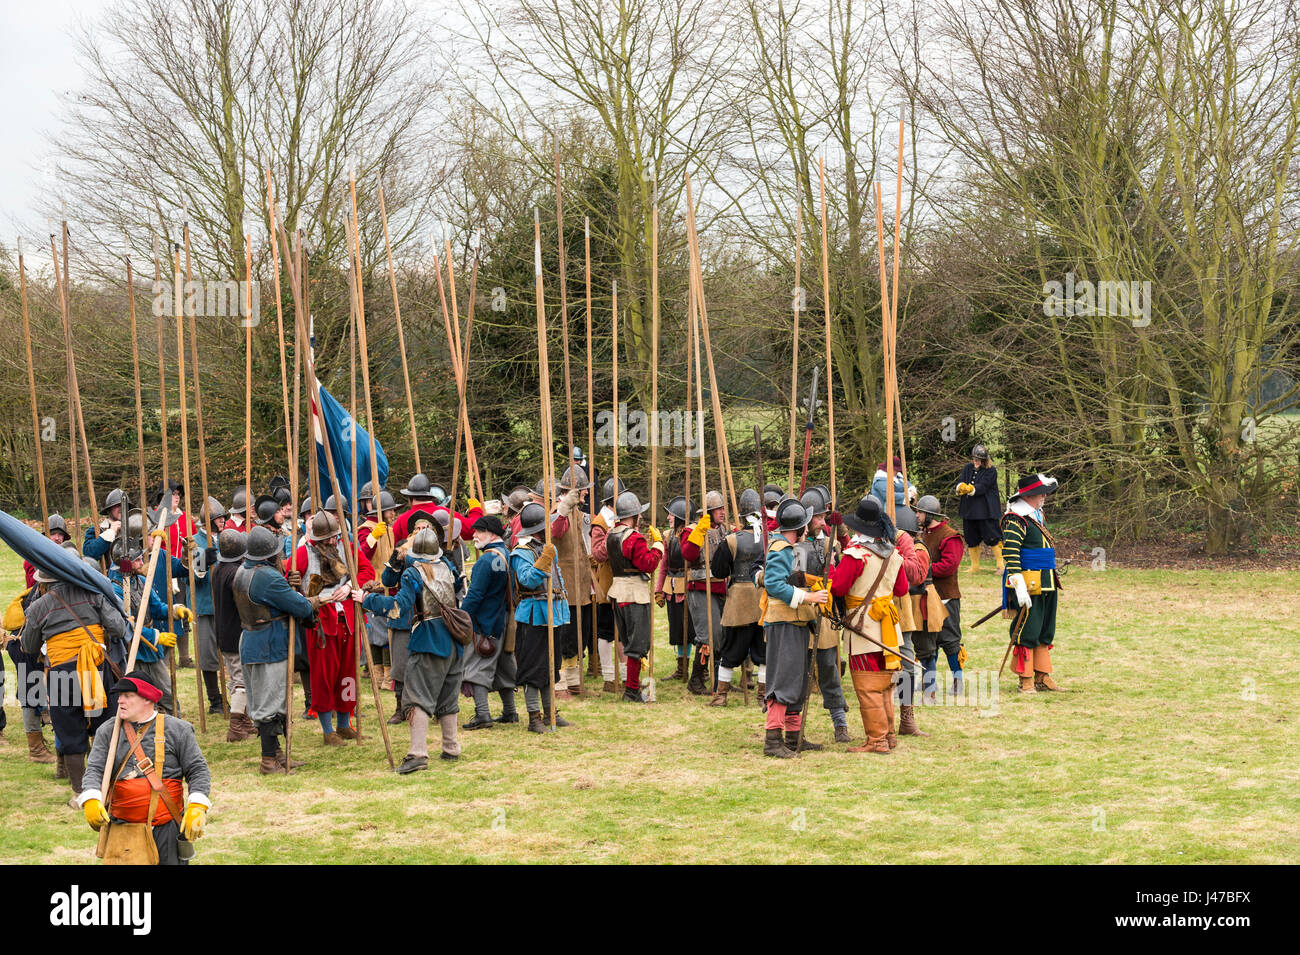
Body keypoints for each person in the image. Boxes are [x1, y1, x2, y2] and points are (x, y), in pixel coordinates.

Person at [19, 563, 131, 806]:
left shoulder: (38, 606)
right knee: (105, 725)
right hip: (95, 668)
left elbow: (28, 646)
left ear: (45, 582)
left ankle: (81, 792)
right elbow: (119, 628)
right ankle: (108, 786)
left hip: (61, 672)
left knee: (69, 729)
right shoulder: (94, 595)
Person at [359, 526, 466, 771]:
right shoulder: (448, 568)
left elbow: (399, 607)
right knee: (447, 696)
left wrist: (367, 600)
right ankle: (451, 747)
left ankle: (417, 754)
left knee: (416, 696)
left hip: (429, 638)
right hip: (454, 637)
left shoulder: (413, 574)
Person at [78, 670, 211, 865]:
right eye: (119, 696)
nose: (120, 701)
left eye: (128, 696)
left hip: (167, 827)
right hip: (123, 828)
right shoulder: (108, 731)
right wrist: (90, 798)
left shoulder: (178, 729)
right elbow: (94, 769)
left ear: (147, 699)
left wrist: (197, 805)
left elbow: (197, 769)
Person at [234, 525, 329, 773]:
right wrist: (311, 600)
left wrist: (288, 585)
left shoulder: (243, 572)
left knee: (268, 701)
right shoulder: (266, 576)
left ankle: (277, 754)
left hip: (253, 641)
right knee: (270, 704)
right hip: (269, 644)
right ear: (268, 555)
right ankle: (268, 760)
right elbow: (300, 608)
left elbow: (273, 600)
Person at [829, 497, 911, 755]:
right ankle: (887, 735)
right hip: (887, 627)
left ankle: (876, 741)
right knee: (884, 684)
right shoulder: (893, 555)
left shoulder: (856, 556)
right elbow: (902, 589)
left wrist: (831, 572)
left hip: (864, 627)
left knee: (868, 687)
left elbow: (840, 588)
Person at [289, 511, 375, 744]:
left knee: (348, 674)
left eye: (333, 537)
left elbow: (367, 571)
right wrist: (294, 581)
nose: (330, 541)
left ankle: (344, 723)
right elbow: (288, 578)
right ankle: (328, 730)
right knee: (324, 676)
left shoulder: (346, 547)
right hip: (321, 622)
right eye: (326, 538)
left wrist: (349, 586)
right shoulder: (302, 553)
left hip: (347, 618)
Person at [757, 498, 830, 757]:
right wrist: (809, 597)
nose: (810, 528)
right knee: (784, 680)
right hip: (783, 623)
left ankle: (793, 737)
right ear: (799, 528)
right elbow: (774, 585)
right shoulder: (781, 548)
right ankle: (773, 741)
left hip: (795, 621)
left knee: (797, 681)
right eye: (806, 524)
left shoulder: (787, 547)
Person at [794, 487, 852, 741]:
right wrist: (814, 579)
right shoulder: (796, 545)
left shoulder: (831, 543)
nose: (821, 521)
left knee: (829, 669)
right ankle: (794, 727)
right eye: (817, 517)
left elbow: (840, 579)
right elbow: (794, 580)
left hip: (826, 615)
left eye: (823, 516)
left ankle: (840, 724)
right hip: (801, 613)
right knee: (798, 674)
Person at [509, 502, 571, 733]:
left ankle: (550, 712)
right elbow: (527, 580)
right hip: (532, 615)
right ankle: (534, 716)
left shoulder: (548, 548)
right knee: (532, 668)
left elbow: (557, 578)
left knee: (550, 666)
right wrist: (544, 560)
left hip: (552, 613)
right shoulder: (520, 553)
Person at [1001, 473, 1062, 693]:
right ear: (1030, 495)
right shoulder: (1015, 517)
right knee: (1028, 629)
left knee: (1045, 628)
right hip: (1027, 582)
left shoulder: (1037, 514)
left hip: (1046, 580)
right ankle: (1025, 680)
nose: (1044, 496)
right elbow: (1011, 552)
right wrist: (1018, 585)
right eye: (1041, 493)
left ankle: (1041, 676)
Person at [604, 491, 664, 702]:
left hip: (618, 593)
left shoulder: (611, 534)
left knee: (630, 642)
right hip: (633, 594)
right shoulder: (633, 538)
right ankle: (631, 690)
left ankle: (634, 687)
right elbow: (648, 563)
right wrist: (658, 546)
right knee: (636, 645)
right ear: (635, 516)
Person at [458, 515, 517, 728]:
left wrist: (461, 618)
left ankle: (483, 714)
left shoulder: (485, 561)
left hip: (486, 622)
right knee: (504, 666)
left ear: (491, 534)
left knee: (477, 667)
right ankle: (510, 711)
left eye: (479, 532)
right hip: (505, 621)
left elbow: (474, 596)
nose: (474, 535)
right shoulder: (508, 555)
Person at [713, 488, 765, 707]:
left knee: (731, 650)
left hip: (739, 603)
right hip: (763, 601)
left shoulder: (732, 540)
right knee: (764, 654)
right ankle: (763, 696)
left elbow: (718, 571)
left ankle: (721, 696)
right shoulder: (769, 540)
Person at [913, 494, 967, 699]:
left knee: (951, 641)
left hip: (946, 597)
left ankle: (958, 681)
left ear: (929, 514)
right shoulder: (922, 535)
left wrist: (923, 569)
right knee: (928, 642)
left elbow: (948, 566)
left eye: (919, 512)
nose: (917, 515)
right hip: (927, 596)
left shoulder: (950, 536)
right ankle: (929, 683)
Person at [680, 489, 729, 695]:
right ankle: (696, 680)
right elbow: (688, 554)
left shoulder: (724, 529)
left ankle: (720, 681)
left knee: (721, 635)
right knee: (707, 636)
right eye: (719, 509)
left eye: (723, 508)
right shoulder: (692, 529)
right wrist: (699, 533)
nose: (723, 512)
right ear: (709, 511)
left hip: (720, 588)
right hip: (700, 588)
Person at [211, 528, 256, 742]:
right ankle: (236, 726)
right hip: (235, 633)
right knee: (241, 680)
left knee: (238, 678)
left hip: (224, 632)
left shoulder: (219, 569)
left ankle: (244, 719)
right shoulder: (235, 573)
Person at [553, 466, 594, 697]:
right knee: (565, 636)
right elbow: (556, 531)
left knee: (580, 634)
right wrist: (565, 506)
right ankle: (560, 685)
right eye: (583, 490)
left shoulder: (578, 512)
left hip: (581, 583)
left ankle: (575, 682)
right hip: (565, 584)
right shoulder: (560, 511)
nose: (586, 494)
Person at [191, 496, 229, 715]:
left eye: (223, 517)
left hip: (225, 604)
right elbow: (193, 577)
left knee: (228, 651)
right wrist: (204, 560)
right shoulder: (195, 541)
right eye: (217, 518)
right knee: (207, 653)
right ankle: (215, 699)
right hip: (206, 605)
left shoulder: (227, 539)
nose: (222, 521)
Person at [358, 489, 398, 689]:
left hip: (390, 586)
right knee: (378, 635)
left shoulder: (390, 529)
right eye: (390, 511)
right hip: (374, 586)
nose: (392, 514)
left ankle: (387, 676)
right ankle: (379, 675)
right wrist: (373, 537)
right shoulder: (365, 529)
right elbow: (361, 554)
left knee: (385, 632)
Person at [589, 477, 626, 689]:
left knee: (622, 630)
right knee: (605, 630)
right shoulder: (599, 523)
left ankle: (624, 674)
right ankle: (609, 679)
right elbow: (598, 553)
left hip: (623, 579)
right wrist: (612, 533)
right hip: (606, 581)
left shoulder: (622, 518)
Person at [653, 496, 692, 683]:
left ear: (678, 517)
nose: (668, 517)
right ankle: (681, 668)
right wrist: (659, 589)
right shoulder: (668, 536)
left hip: (688, 586)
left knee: (690, 630)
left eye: (671, 515)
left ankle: (696, 667)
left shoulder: (691, 534)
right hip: (671, 586)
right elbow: (664, 565)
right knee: (676, 630)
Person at [956, 444, 1003, 572]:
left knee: (993, 536)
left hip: (986, 510)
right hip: (969, 510)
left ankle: (1000, 564)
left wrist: (971, 489)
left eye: (978, 459)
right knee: (971, 538)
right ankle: (975, 566)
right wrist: (960, 486)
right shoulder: (968, 468)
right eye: (974, 458)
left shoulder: (991, 471)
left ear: (984, 460)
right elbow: (961, 480)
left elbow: (983, 486)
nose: (975, 461)